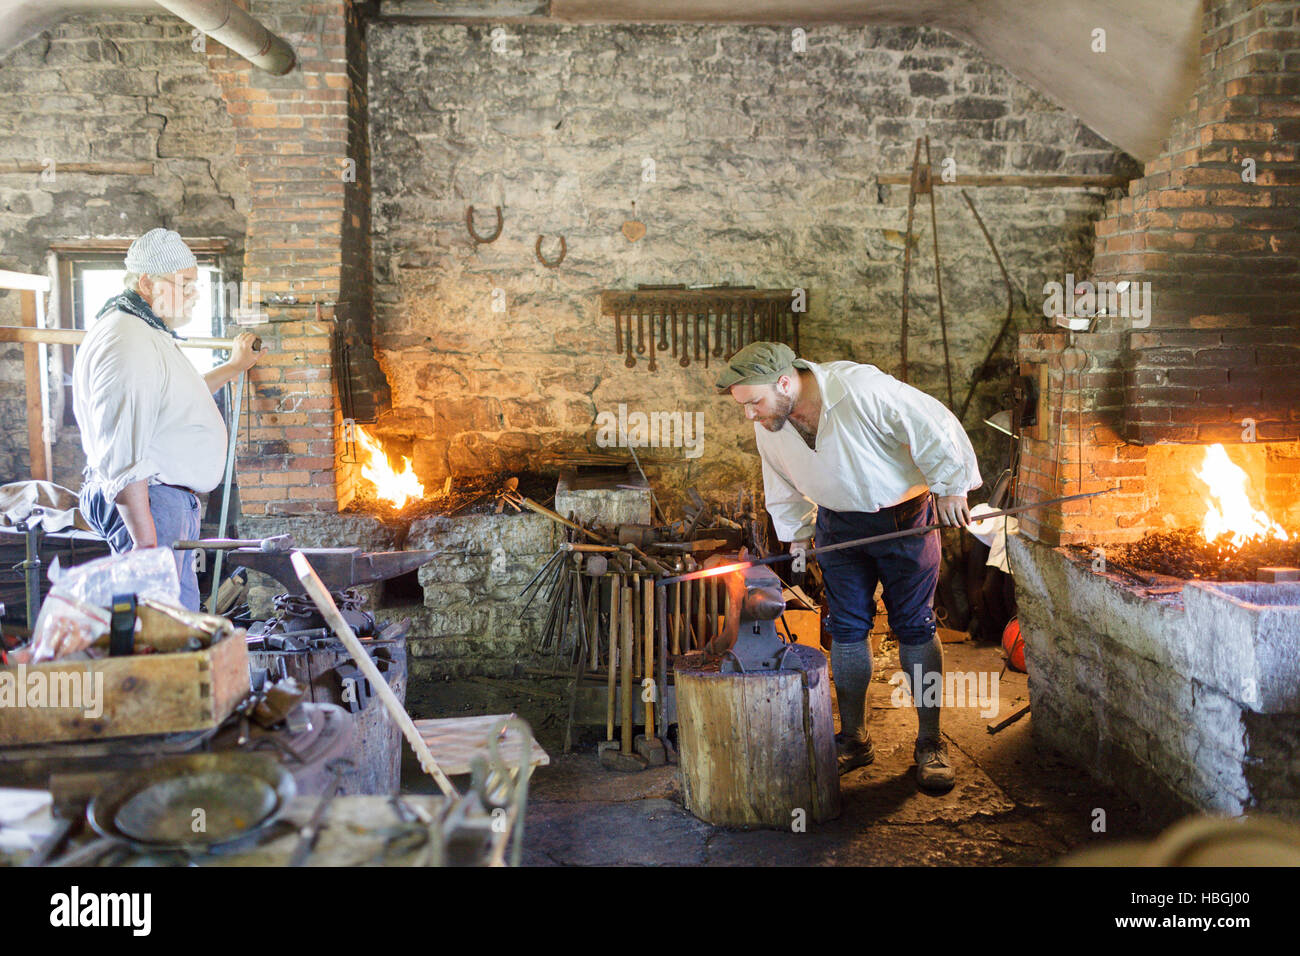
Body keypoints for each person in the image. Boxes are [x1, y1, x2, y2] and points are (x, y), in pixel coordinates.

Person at [716, 341, 981, 794]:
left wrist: (952, 486)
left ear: (785, 383)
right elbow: (777, 475)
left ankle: (931, 741)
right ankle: (855, 738)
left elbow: (933, 422)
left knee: (915, 627)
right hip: (836, 525)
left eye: (753, 402)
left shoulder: (861, 389)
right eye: (745, 405)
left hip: (904, 519)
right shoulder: (772, 420)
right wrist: (798, 533)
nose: (750, 414)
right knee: (847, 627)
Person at [73, 228, 264, 611]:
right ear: (147, 282)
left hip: (164, 504)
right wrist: (145, 544)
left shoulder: (144, 330)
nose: (195, 293)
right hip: (151, 506)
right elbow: (122, 456)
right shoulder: (126, 340)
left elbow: (179, 399)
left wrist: (232, 367)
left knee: (181, 622)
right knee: (163, 629)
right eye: (185, 283)